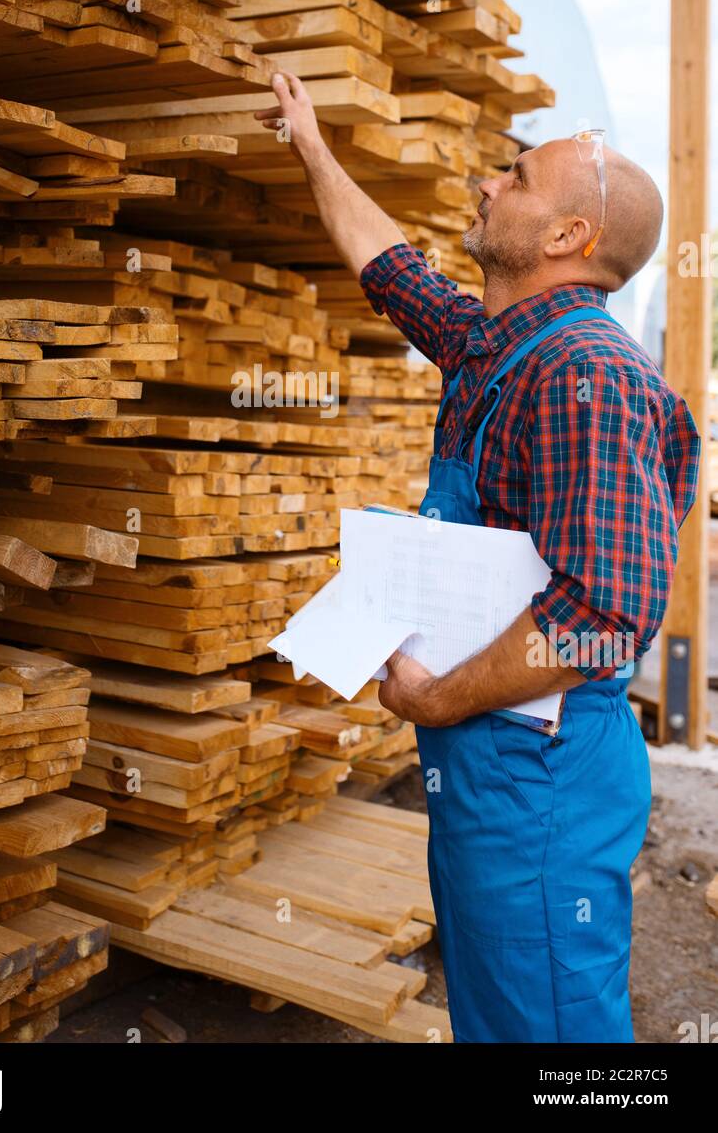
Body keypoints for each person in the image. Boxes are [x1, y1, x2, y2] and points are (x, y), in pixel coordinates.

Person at [255, 71, 700, 1043]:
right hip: (489, 769)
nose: (489, 183)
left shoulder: (588, 375)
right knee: (501, 1017)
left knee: (553, 1035)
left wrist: (435, 696)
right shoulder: (499, 347)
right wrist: (311, 144)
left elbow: (602, 616)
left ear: (567, 238)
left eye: (517, 176)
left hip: (541, 785)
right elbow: (390, 266)